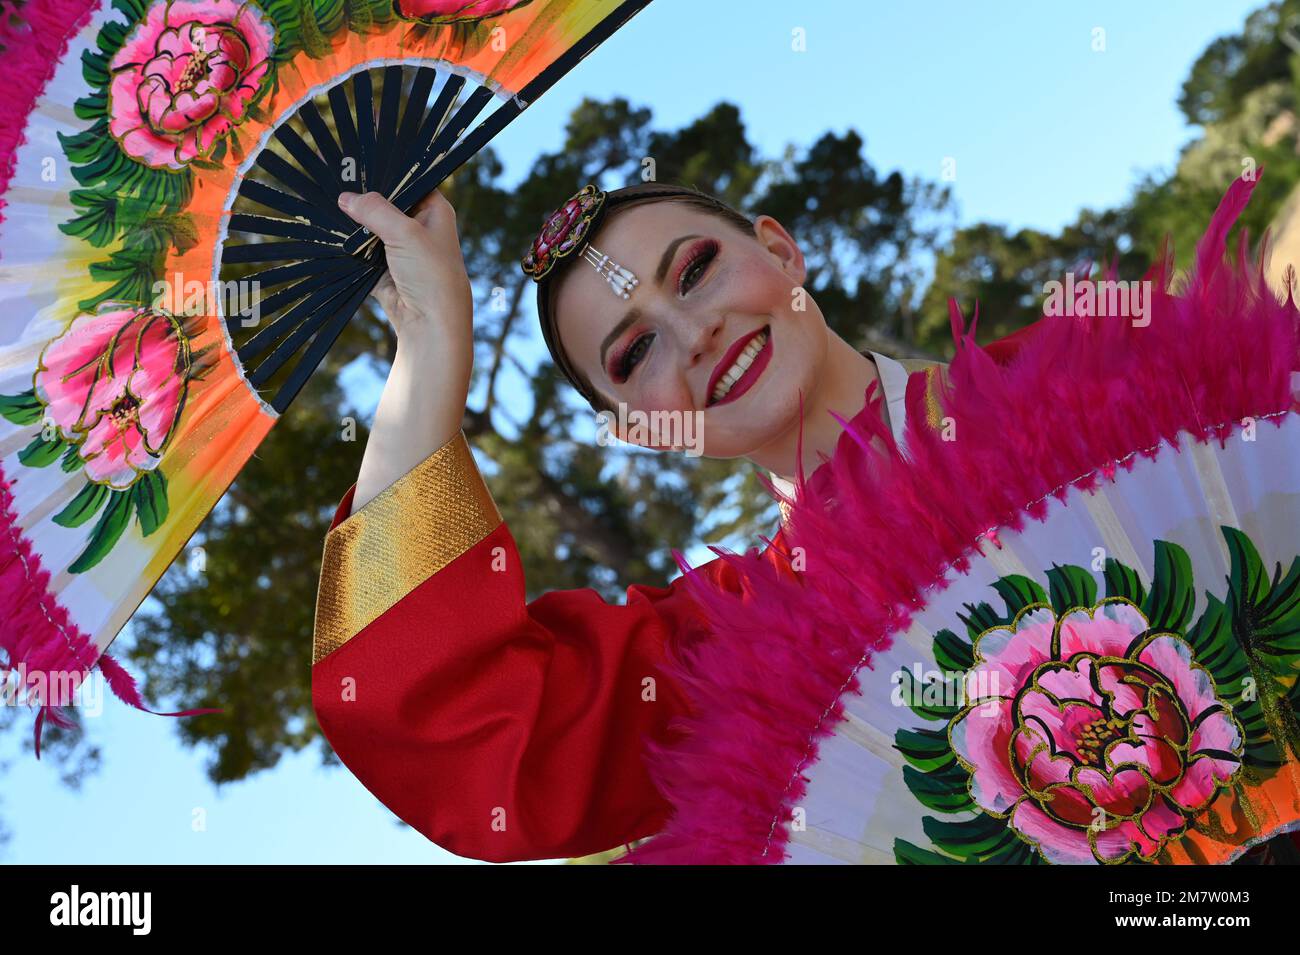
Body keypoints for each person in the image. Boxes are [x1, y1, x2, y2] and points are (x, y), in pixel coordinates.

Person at [310, 181, 1040, 862]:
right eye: (636, 352)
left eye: (695, 271)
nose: (694, 333)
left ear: (782, 250)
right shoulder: (726, 651)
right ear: (639, 431)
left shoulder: (1093, 373)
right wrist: (432, 337)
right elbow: (456, 726)